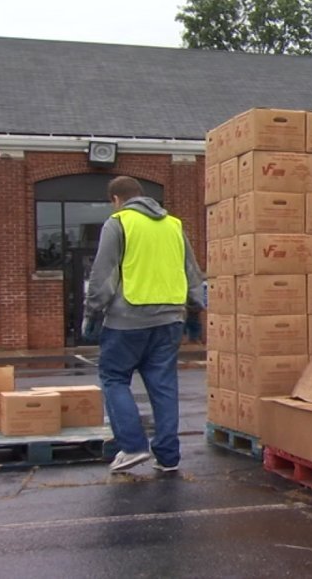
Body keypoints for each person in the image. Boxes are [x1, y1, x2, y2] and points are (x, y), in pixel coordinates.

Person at [83, 176, 204, 473]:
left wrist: (92, 312)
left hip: (128, 319)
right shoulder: (173, 225)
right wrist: (195, 310)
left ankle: (133, 446)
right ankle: (168, 456)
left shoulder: (118, 222)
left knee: (114, 377)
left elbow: (103, 274)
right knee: (163, 385)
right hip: (170, 318)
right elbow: (192, 271)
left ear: (116, 199)